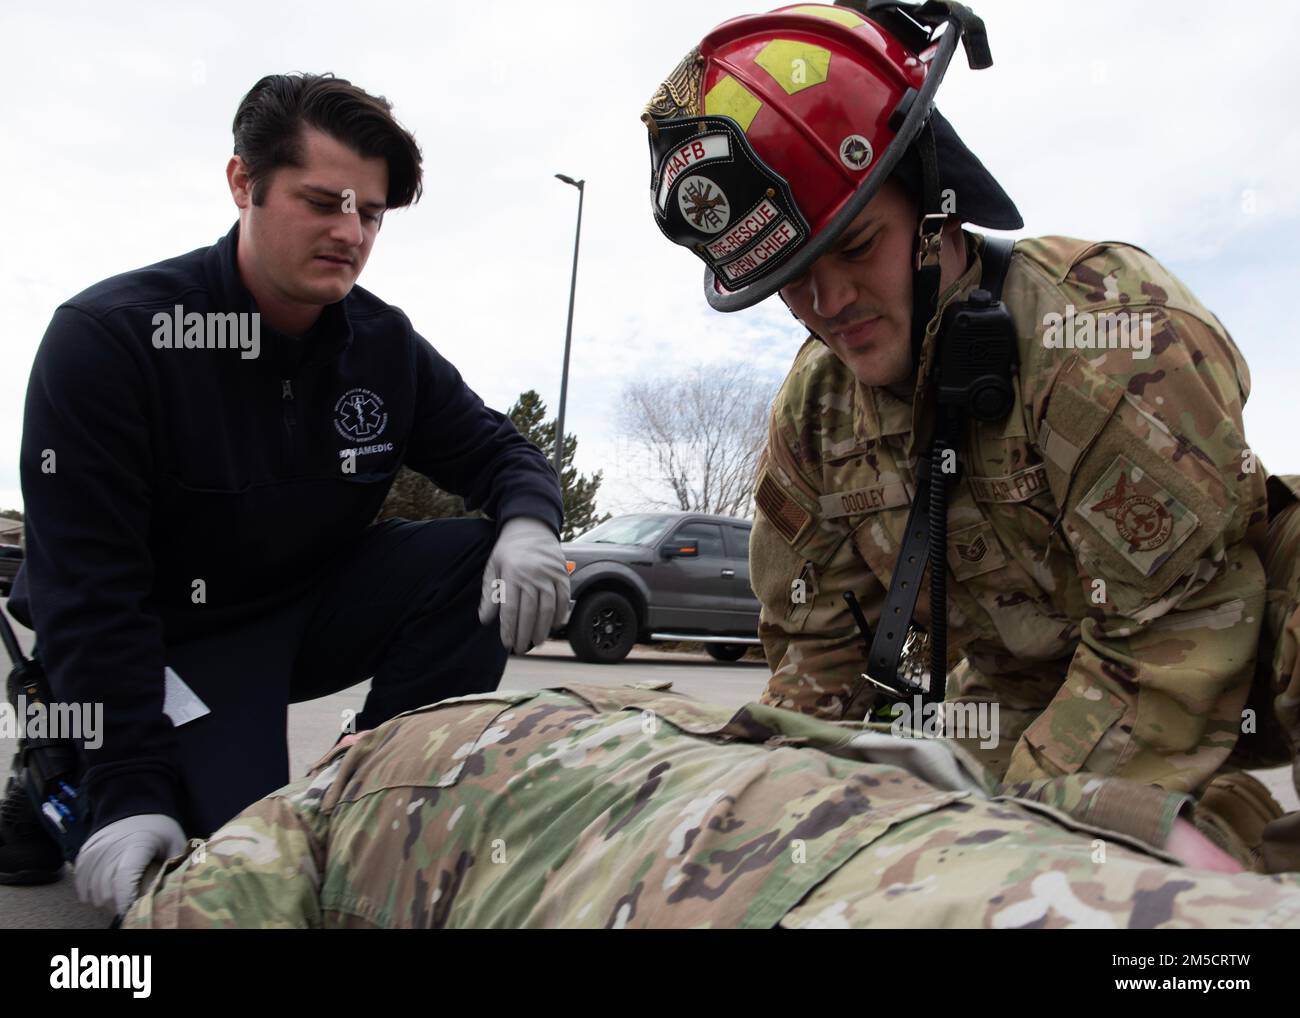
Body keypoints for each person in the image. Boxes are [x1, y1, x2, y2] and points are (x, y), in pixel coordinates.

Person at [639, 1, 1300, 871]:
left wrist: (1016, 831)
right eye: (792, 281)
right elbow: (818, 662)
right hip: (1017, 701)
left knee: (1021, 860)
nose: (827, 303)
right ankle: (1208, 826)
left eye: (858, 246)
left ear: (937, 200)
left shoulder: (1104, 341)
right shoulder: (817, 414)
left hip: (1229, 644)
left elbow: (1169, 637)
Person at [0, 72, 569, 915]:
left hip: (299, 613)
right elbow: (91, 596)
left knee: (478, 553)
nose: (349, 232)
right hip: (164, 640)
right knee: (227, 875)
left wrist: (529, 521)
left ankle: (375, 786)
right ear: (243, 183)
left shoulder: (383, 345)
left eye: (370, 214)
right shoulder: (110, 342)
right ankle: (56, 767)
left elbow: (500, 449)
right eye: (322, 201)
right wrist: (127, 787)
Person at [122, 682, 1300, 929]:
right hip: (928, 838)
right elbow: (832, 735)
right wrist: (1116, 819)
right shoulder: (598, 699)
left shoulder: (319, 799)